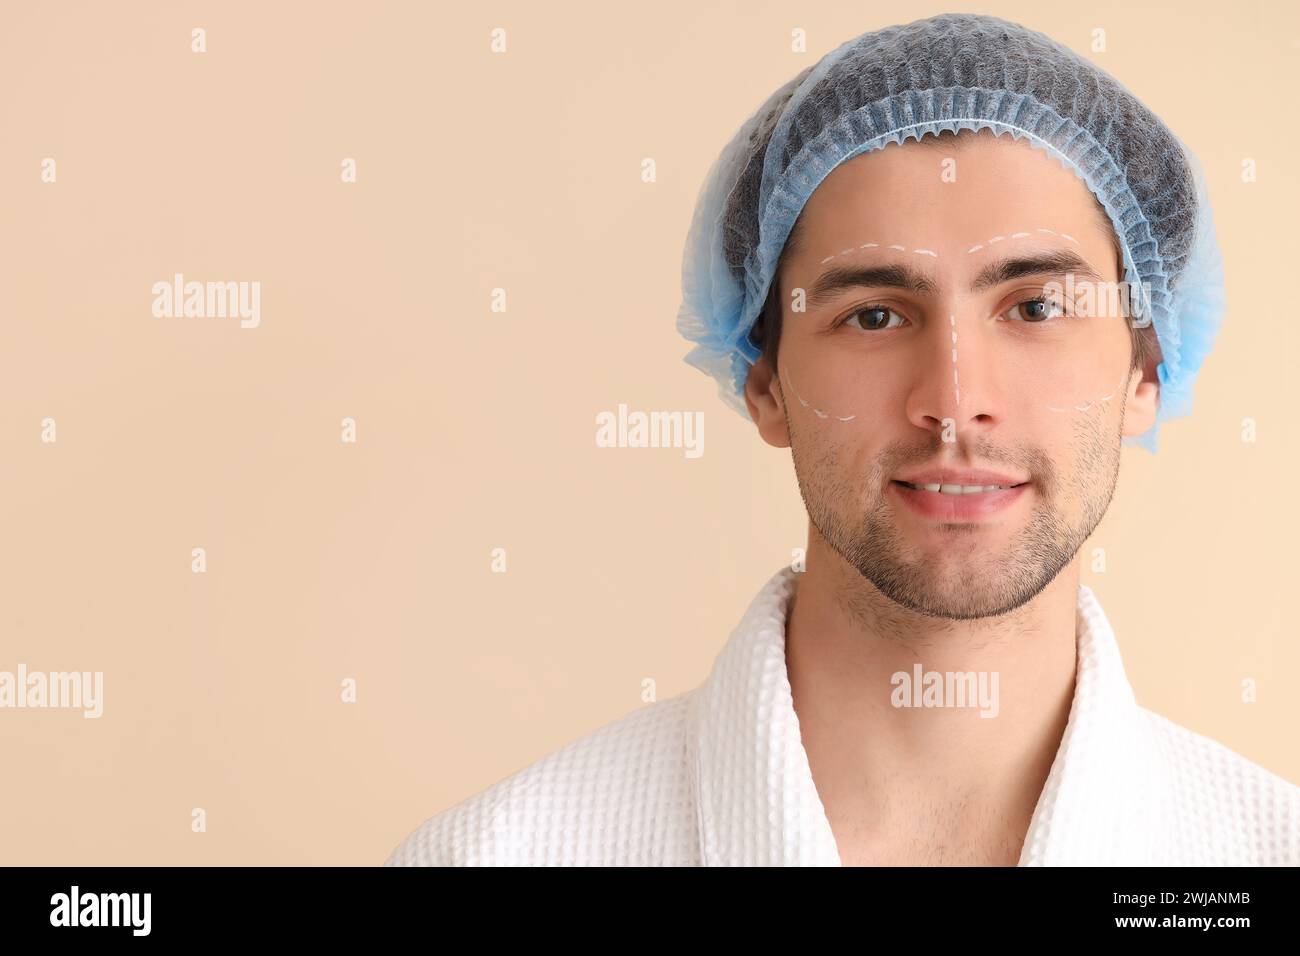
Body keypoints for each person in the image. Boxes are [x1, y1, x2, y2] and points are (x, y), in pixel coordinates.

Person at [386, 12, 1300, 866]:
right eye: (873, 315)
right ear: (765, 380)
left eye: (1036, 306)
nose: (953, 401)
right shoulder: (503, 853)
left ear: (1147, 370)